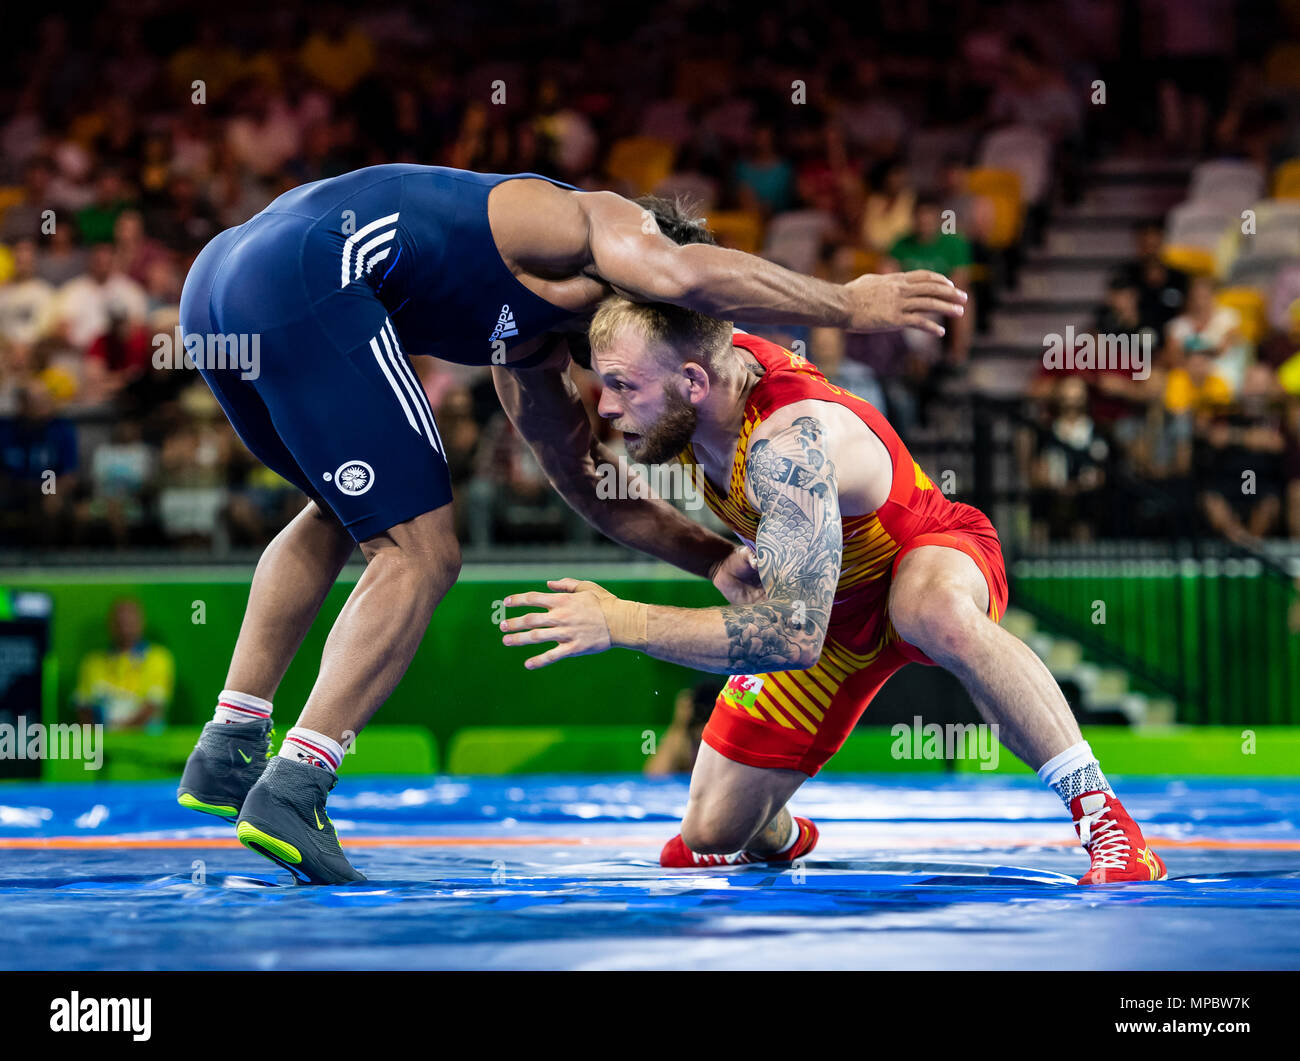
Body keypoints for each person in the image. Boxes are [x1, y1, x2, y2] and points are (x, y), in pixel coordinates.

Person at [173, 164, 967, 884]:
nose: (614, 398)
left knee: (344, 510)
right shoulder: (601, 225)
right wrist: (850, 303)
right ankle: (298, 782)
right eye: (617, 376)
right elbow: (692, 273)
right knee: (421, 553)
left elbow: (586, 485)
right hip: (307, 278)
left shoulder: (527, 353)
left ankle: (231, 742)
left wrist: (709, 555)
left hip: (217, 285)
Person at [499, 298, 1167, 886]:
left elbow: (790, 634)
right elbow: (662, 259)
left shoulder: (787, 444)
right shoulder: (681, 373)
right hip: (826, 610)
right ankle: (783, 831)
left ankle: (1107, 820)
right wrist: (499, 328)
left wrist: (622, 621)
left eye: (620, 385)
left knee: (926, 609)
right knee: (708, 836)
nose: (606, 405)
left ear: (694, 382)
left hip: (924, 557)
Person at [74, 597, 174, 731]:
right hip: (102, 743)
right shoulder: (92, 662)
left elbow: (154, 706)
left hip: (145, 742)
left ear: (142, 622)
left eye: (130, 621)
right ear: (110, 624)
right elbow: (83, 708)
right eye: (119, 622)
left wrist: (120, 734)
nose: (124, 627)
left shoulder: (159, 658)